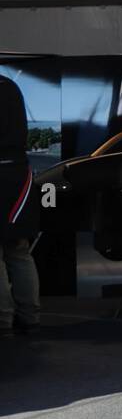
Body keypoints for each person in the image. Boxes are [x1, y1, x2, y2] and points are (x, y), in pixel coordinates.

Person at [0, 74, 40, 335]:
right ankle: (29, 315)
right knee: (18, 250)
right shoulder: (10, 86)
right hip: (19, 173)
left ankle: (2, 320)